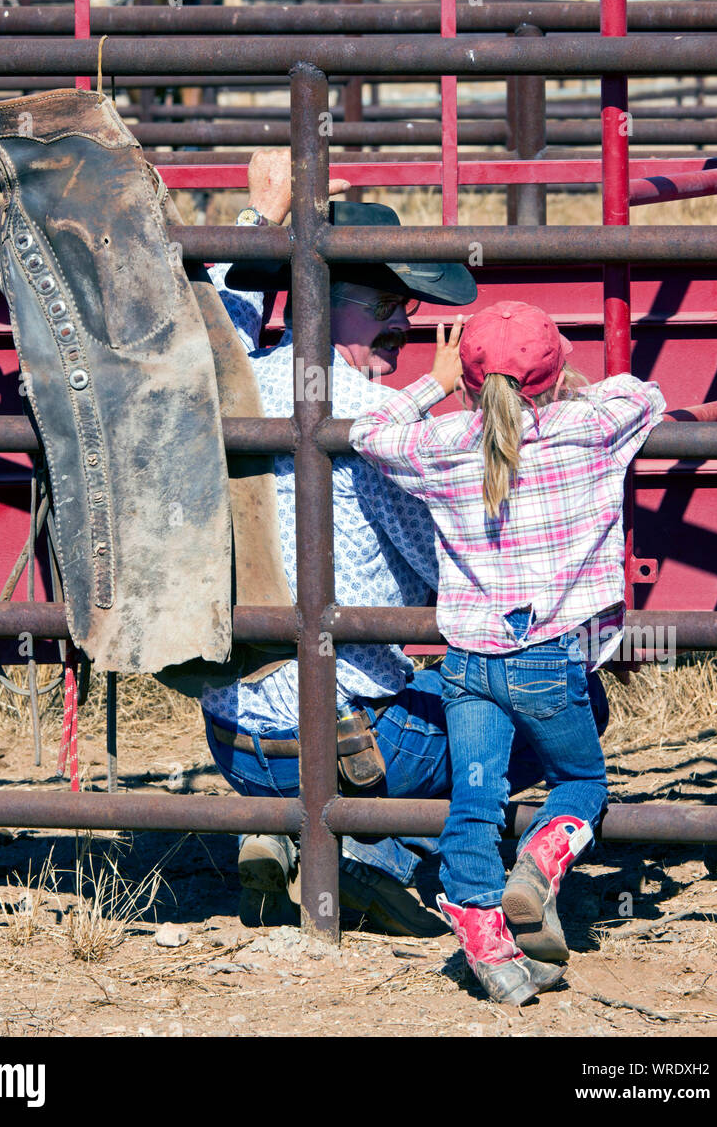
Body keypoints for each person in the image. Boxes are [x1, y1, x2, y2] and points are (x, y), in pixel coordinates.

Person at [349, 302, 665, 1002]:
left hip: (465, 663)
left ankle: (486, 939)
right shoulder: (590, 428)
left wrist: (432, 385)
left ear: (467, 378)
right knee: (582, 784)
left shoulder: (443, 444)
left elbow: (369, 430)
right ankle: (537, 871)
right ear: (554, 374)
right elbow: (645, 394)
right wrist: (570, 387)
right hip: (547, 658)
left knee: (474, 802)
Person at [199, 149, 478, 935]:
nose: (407, 322)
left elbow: (217, 324)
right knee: (550, 706)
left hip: (236, 736)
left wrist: (264, 218)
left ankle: (287, 830)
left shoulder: (242, 382)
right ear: (339, 302)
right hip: (348, 741)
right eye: (389, 303)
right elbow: (445, 571)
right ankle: (368, 861)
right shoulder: (382, 423)